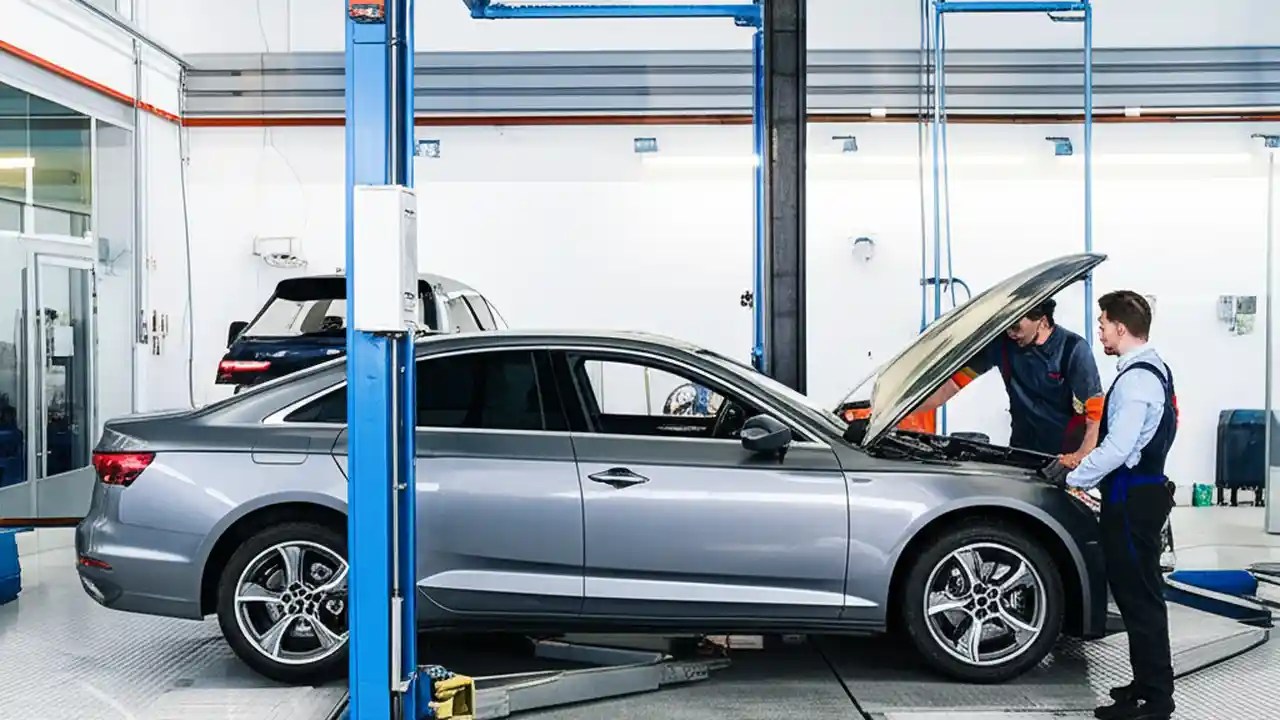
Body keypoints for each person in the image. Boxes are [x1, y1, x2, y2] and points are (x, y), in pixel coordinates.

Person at [1045, 290, 1178, 720]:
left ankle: (1155, 700)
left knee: (1139, 598)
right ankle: (1145, 684)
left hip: (1132, 498)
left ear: (1121, 328)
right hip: (1140, 492)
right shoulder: (1153, 368)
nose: (1098, 330)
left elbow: (1119, 447)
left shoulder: (1137, 378)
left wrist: (1074, 476)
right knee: (1137, 594)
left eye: (1102, 323)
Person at [915, 298, 1104, 458]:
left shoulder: (1073, 348)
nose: (1011, 333)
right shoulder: (1003, 345)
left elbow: (1095, 413)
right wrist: (906, 409)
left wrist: (1082, 457)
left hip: (1064, 454)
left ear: (1042, 321)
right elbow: (952, 384)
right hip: (1021, 450)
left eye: (1016, 327)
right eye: (1007, 327)